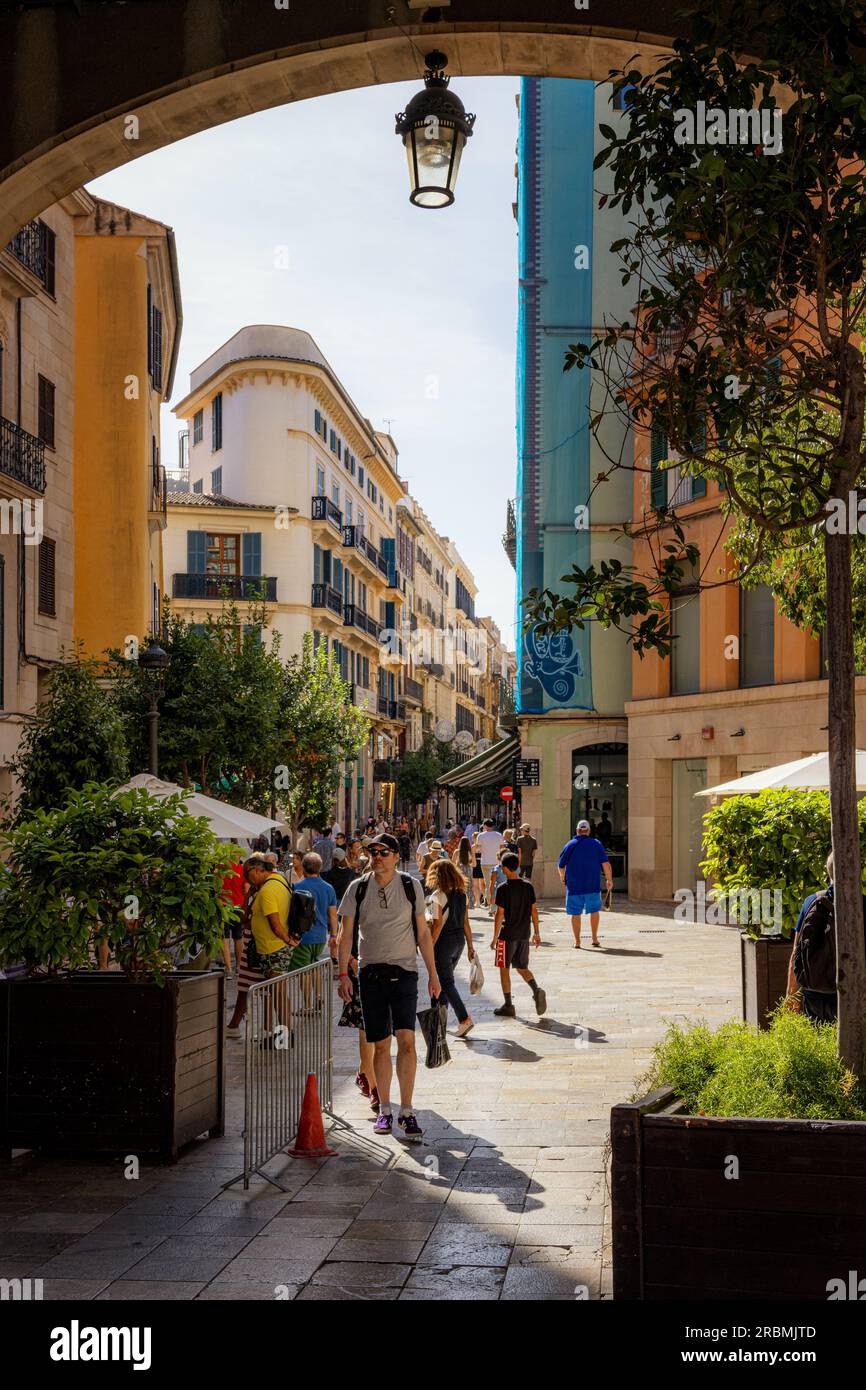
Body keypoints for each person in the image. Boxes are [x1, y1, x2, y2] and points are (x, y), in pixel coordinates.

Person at [337, 833, 440, 1141]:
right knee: (380, 1044)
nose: (377, 856)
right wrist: (343, 974)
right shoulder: (358, 888)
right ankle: (384, 1109)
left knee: (407, 1040)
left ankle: (407, 1111)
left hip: (405, 973)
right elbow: (345, 934)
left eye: (384, 852)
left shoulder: (411, 886)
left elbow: (423, 933)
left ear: (397, 856)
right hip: (370, 975)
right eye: (373, 852)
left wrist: (433, 974)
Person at [785, 851, 866, 1021]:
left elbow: (795, 953)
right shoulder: (862, 904)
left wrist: (791, 997)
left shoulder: (811, 901)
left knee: (815, 1045)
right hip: (851, 997)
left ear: (828, 872)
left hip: (813, 996)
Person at [491, 851, 547, 1018]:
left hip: (507, 934)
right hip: (524, 933)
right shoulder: (527, 886)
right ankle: (536, 990)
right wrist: (536, 933)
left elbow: (499, 914)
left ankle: (508, 1005)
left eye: (502, 866)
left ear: (506, 869)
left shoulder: (503, 889)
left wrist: (494, 938)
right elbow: (534, 911)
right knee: (522, 968)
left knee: (503, 969)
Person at [426, 857, 475, 1037]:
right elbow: (466, 922)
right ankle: (440, 1020)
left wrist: (429, 945)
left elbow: (436, 925)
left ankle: (463, 1019)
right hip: (458, 942)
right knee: (445, 981)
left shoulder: (436, 896)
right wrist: (470, 946)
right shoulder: (461, 894)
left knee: (445, 982)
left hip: (443, 943)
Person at [558, 819, 613, 948]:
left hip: (574, 886)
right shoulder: (596, 844)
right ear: (588, 831)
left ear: (577, 830)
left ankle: (577, 942)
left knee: (575, 913)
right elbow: (606, 864)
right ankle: (594, 938)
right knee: (594, 911)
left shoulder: (570, 844)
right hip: (592, 885)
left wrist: (562, 877)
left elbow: (561, 865)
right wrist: (609, 880)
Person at [292, 851, 338, 973]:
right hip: (321, 936)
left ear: (304, 867)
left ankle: (307, 994)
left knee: (304, 972)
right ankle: (318, 993)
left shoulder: (297, 887)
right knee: (315, 968)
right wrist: (334, 935)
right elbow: (333, 915)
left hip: (303, 936)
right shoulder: (329, 888)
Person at [220, 857, 246, 974]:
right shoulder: (241, 869)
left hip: (223, 906)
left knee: (224, 938)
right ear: (238, 856)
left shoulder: (219, 868)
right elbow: (246, 889)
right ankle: (239, 967)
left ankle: (228, 968)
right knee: (238, 937)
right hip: (238, 907)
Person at [477, 819, 505, 915]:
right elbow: (502, 849)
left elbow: (479, 849)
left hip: (485, 862)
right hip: (497, 862)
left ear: (485, 826)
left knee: (488, 884)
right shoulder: (499, 835)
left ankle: (490, 905)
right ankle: (496, 905)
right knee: (498, 884)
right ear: (492, 826)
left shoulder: (481, 836)